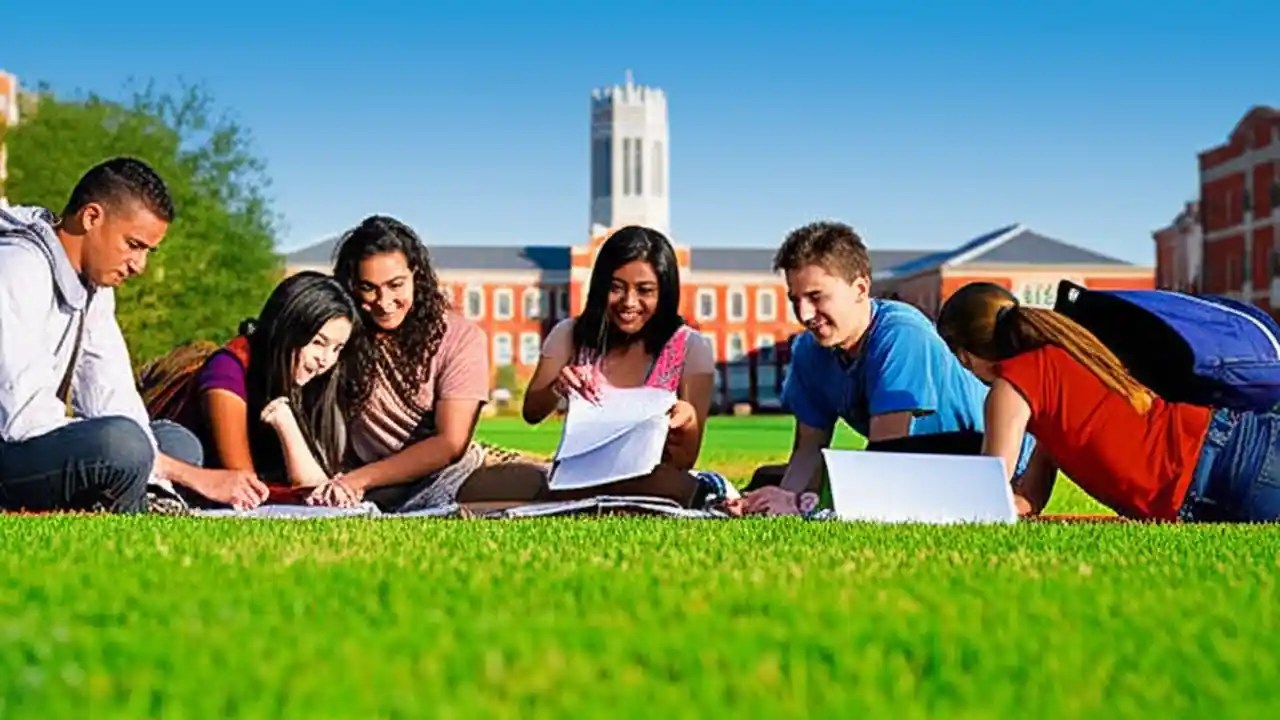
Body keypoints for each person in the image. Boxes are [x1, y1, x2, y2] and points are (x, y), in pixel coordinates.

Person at [0, 157, 269, 513]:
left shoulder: (95, 287)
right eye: (134, 245)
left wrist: (166, 462)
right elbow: (24, 421)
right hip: (12, 446)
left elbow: (112, 396)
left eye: (147, 251)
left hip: (35, 446)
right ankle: (144, 504)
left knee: (176, 441)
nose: (140, 266)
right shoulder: (17, 267)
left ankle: (140, 496)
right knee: (124, 447)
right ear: (91, 217)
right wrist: (185, 475)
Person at [741, 221, 1032, 515]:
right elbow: (808, 452)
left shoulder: (901, 334)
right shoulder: (809, 350)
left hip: (995, 463)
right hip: (920, 461)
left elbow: (883, 463)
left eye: (816, 297)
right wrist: (779, 500)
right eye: (795, 300)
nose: (804, 314)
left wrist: (801, 503)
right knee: (766, 479)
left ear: (860, 288)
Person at [936, 281, 1280, 523]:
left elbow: (986, 492)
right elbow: (1029, 499)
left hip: (1222, 469)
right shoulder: (1061, 358)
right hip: (1227, 453)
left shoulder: (1011, 388)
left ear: (964, 356)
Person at [305, 215, 540, 511]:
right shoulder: (340, 337)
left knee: (549, 488)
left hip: (447, 474)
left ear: (416, 274)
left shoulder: (460, 338)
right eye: (368, 287)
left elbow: (450, 444)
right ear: (351, 286)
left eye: (395, 285)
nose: (383, 301)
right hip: (365, 482)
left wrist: (356, 481)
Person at [521, 225, 716, 505]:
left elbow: (685, 460)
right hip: (578, 481)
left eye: (645, 290)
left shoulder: (691, 347)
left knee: (677, 486)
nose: (629, 302)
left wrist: (688, 422)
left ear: (665, 293)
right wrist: (557, 388)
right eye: (616, 288)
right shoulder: (570, 334)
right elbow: (531, 412)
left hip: (651, 484)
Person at [147, 271, 358, 491]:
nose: (325, 359)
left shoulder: (313, 382)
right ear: (286, 329)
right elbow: (244, 485)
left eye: (337, 348)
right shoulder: (228, 369)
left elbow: (315, 483)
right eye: (317, 342)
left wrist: (287, 424)